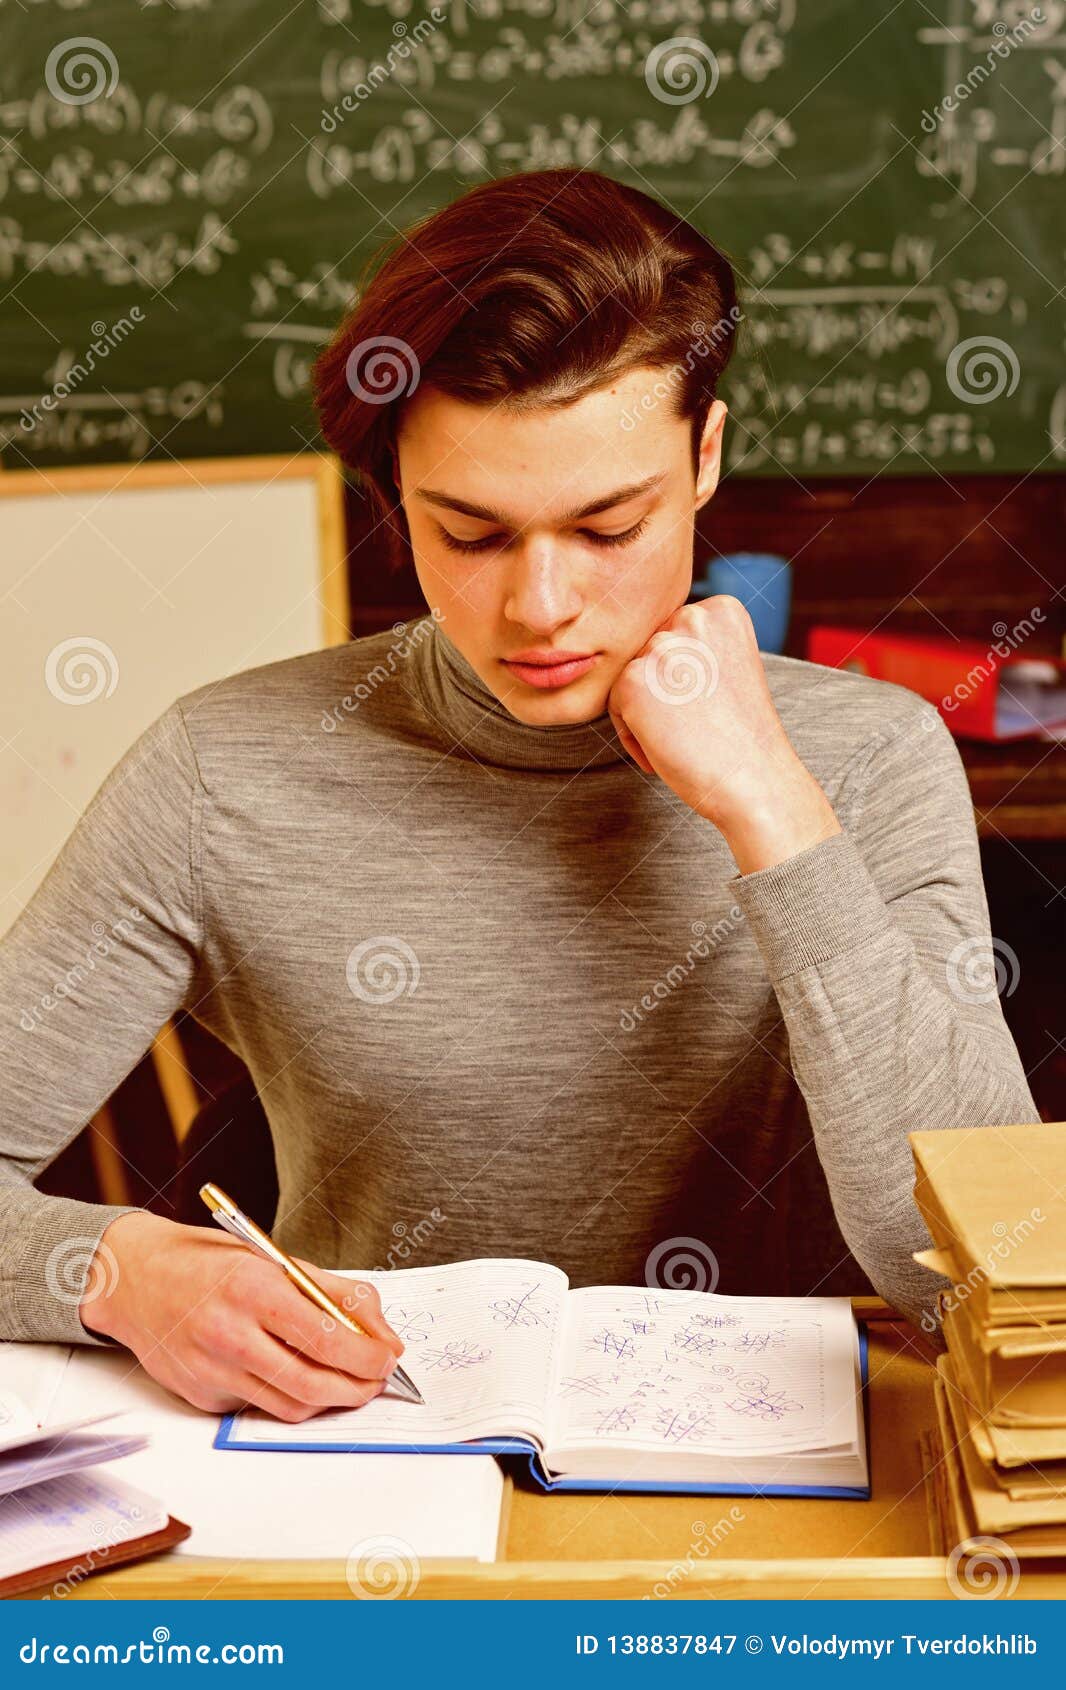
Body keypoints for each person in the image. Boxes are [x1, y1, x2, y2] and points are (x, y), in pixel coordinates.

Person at [0, 169, 1037, 1421]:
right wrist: (114, 1272)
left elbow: (980, 1285)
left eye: (608, 529)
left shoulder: (870, 758)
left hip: (788, 1522)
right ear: (393, 487)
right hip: (369, 1469)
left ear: (704, 457)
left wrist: (774, 808)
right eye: (473, 535)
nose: (540, 607)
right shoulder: (223, 769)